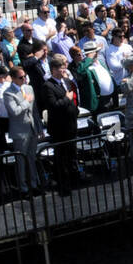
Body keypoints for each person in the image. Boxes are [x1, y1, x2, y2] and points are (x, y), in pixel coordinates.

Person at [43, 54, 80, 194]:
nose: (63, 70)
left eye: (64, 67)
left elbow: (73, 99)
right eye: (60, 68)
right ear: (53, 69)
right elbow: (53, 106)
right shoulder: (48, 86)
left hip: (71, 124)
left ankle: (74, 178)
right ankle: (63, 183)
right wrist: (66, 98)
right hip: (59, 127)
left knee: (72, 154)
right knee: (61, 157)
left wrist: (74, 110)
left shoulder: (67, 81)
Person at [4, 66, 43, 195]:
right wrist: (26, 101)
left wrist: (39, 127)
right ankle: (23, 187)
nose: (24, 79)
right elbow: (14, 111)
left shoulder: (29, 88)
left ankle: (34, 184)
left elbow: (35, 110)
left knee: (32, 158)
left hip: (32, 129)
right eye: (21, 77)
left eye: (25, 76)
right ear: (13, 79)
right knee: (21, 160)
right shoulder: (8, 93)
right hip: (20, 132)